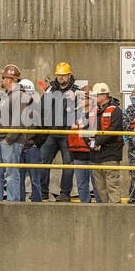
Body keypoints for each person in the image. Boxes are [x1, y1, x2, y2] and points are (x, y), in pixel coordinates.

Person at [39, 61, 78, 201]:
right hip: (51, 133)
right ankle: (42, 193)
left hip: (68, 134)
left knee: (68, 165)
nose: (61, 78)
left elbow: (83, 110)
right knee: (43, 162)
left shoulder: (76, 91)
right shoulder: (49, 90)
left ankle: (65, 194)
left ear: (69, 75)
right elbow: (41, 110)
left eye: (64, 75)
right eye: (59, 75)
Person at [0, 64, 24, 202]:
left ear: (10, 79)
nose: (2, 80)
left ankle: (12, 204)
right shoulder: (5, 96)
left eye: (3, 77)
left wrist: (8, 139)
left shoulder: (19, 96)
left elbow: (19, 121)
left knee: (11, 174)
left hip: (9, 142)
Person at [87, 82, 124, 204]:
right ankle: (106, 215)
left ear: (104, 96)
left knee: (112, 187)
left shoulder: (116, 111)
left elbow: (113, 131)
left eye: (96, 95)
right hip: (96, 156)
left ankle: (116, 214)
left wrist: (97, 142)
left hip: (111, 154)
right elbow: (85, 131)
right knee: (100, 189)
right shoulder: (92, 111)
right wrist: (92, 145)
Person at [66, 88, 99, 202]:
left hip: (91, 153)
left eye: (83, 98)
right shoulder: (74, 114)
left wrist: (94, 147)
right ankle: (85, 205)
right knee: (81, 184)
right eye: (79, 98)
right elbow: (69, 134)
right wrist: (70, 152)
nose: (80, 100)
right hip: (77, 153)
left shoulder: (96, 113)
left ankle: (100, 207)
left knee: (97, 185)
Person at [17, 80, 44, 201]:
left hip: (32, 149)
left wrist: (37, 143)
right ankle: (20, 203)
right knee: (19, 179)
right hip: (18, 148)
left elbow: (45, 129)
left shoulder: (38, 109)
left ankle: (37, 203)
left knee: (35, 179)